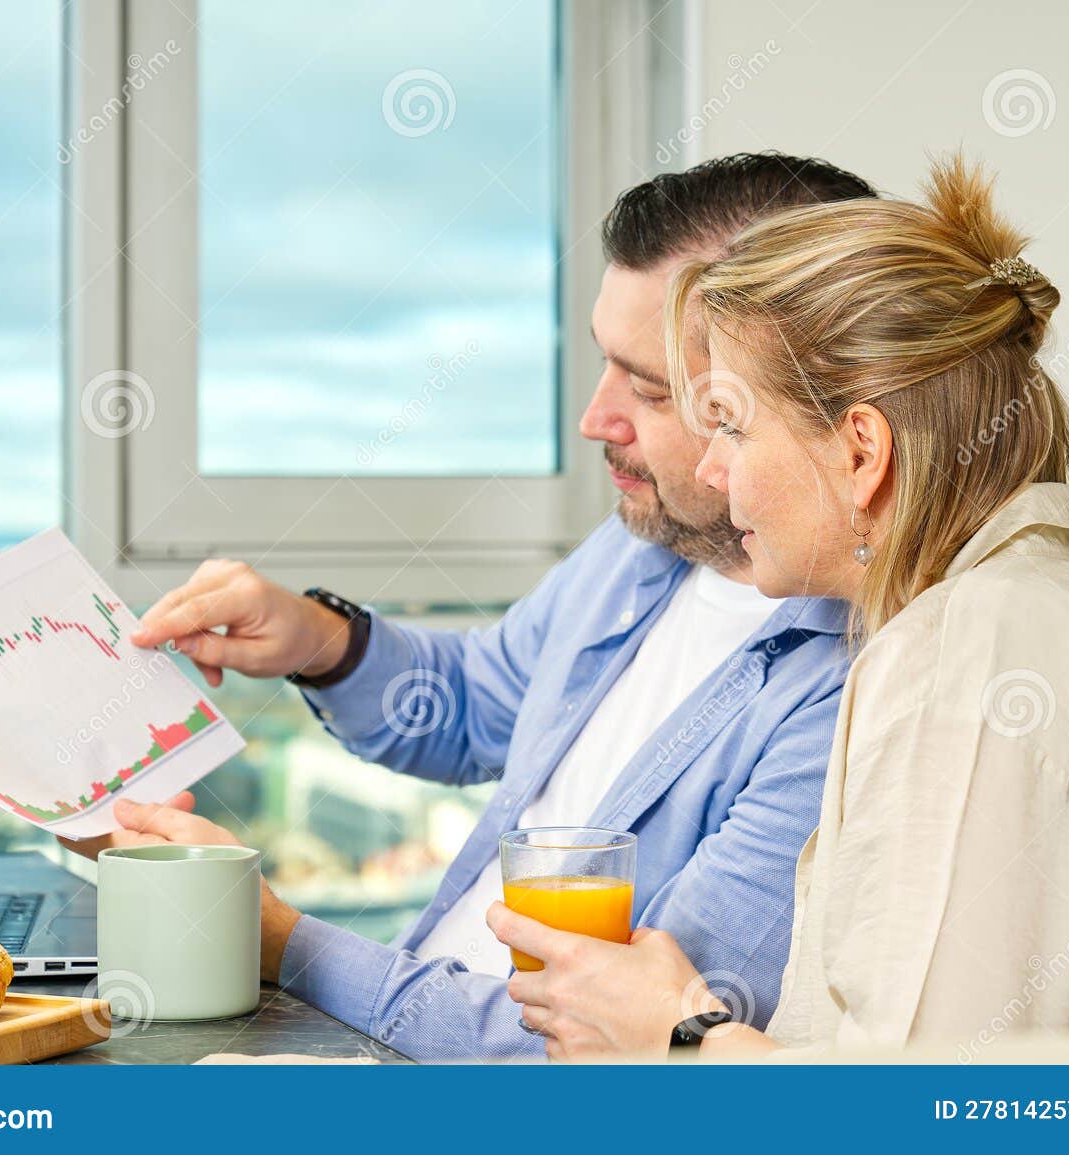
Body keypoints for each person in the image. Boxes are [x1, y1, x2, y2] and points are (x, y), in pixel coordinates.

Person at [488, 154, 1069, 1064]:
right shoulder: (1038, 612)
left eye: (734, 426)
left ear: (862, 450)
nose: (713, 472)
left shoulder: (980, 650)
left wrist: (675, 1034)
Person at [64, 154, 879, 1062]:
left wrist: (275, 941)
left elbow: (606, 1048)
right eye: (605, 366)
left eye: (651, 390)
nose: (596, 418)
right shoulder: (656, 537)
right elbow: (481, 702)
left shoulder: (855, 690)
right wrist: (317, 639)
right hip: (376, 1030)